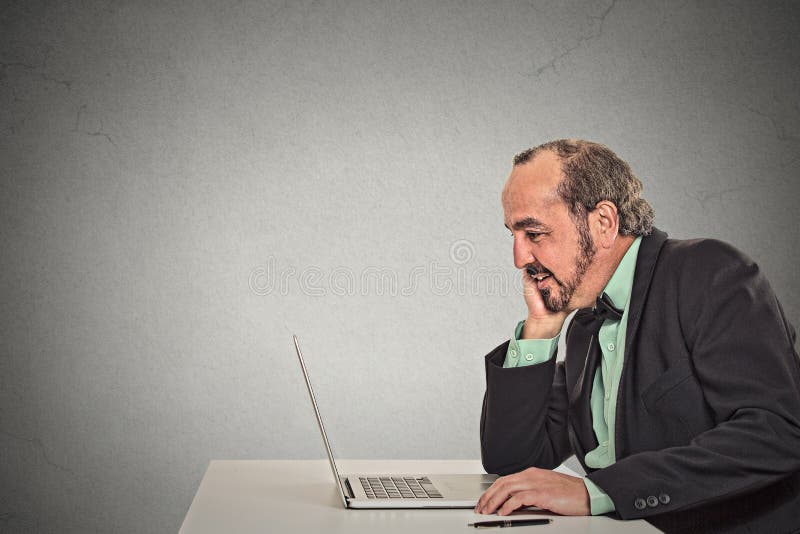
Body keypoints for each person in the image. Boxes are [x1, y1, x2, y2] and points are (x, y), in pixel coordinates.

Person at [475, 139, 800, 533]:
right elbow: (512, 461)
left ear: (604, 223)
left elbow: (778, 430)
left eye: (535, 233)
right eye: (512, 234)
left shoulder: (710, 272)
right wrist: (539, 332)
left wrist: (596, 491)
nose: (518, 259)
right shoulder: (584, 327)